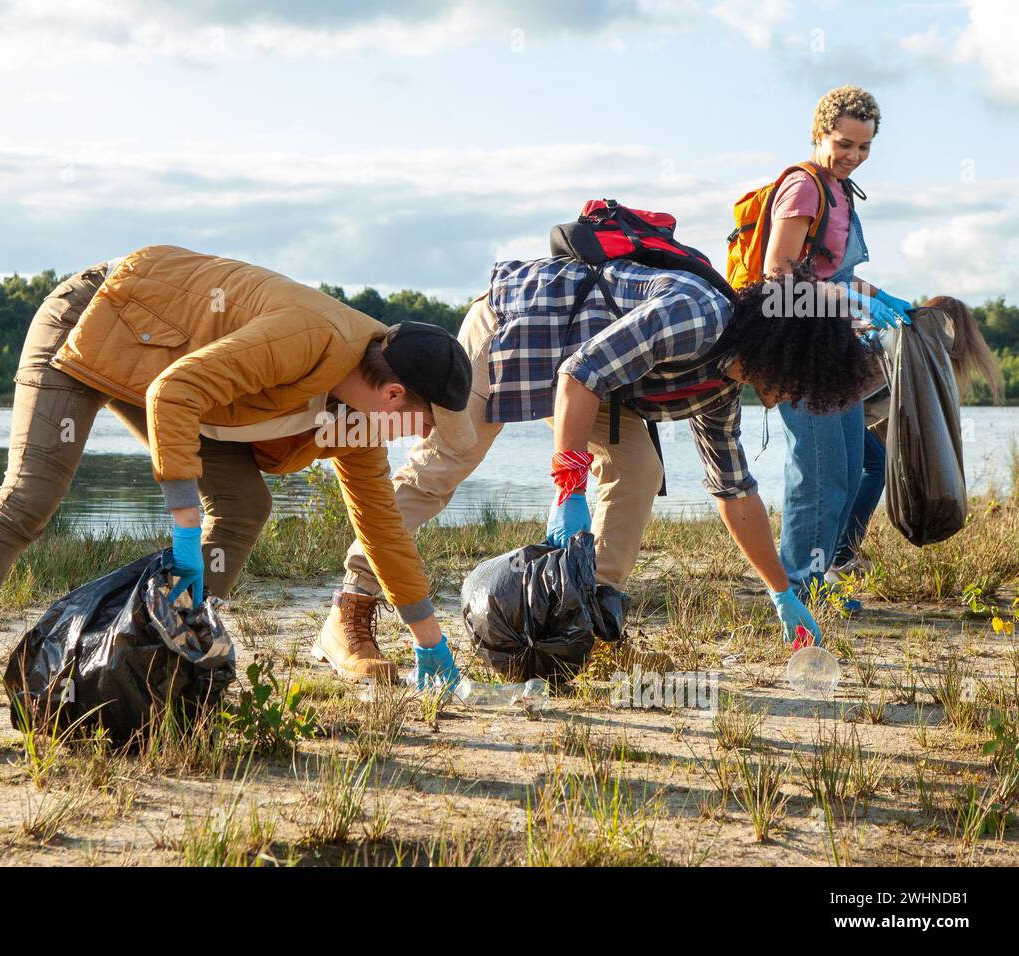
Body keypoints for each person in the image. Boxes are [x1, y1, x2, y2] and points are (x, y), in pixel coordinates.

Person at [0, 245, 477, 757]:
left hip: (172, 369)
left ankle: (167, 673)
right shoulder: (312, 339)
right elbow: (175, 391)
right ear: (395, 393)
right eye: (422, 421)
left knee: (245, 506)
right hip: (101, 314)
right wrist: (187, 530)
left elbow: (381, 525)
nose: (420, 436)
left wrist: (431, 642)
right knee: (31, 496)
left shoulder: (357, 419)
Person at [314, 251, 879, 678]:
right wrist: (569, 488)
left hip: (595, 378)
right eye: (797, 384)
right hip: (520, 330)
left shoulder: (721, 390)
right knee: (452, 455)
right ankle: (351, 605)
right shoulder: (696, 317)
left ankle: (583, 616)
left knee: (638, 473)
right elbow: (578, 374)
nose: (788, 399)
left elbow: (733, 489)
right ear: (783, 353)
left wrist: (783, 592)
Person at [759, 85, 917, 606]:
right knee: (819, 472)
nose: (853, 156)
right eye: (843, 143)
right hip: (797, 344)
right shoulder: (805, 188)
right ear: (818, 134)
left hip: (835, 343)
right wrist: (848, 296)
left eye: (864, 147)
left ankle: (825, 572)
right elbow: (778, 274)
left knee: (858, 465)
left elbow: (837, 273)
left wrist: (877, 296)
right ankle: (799, 588)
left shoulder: (841, 190)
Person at [829, 295, 1005, 576]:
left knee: (869, 467)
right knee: (875, 467)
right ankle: (838, 559)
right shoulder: (903, 345)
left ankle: (835, 557)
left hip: (836, 408)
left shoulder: (914, 351)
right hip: (829, 406)